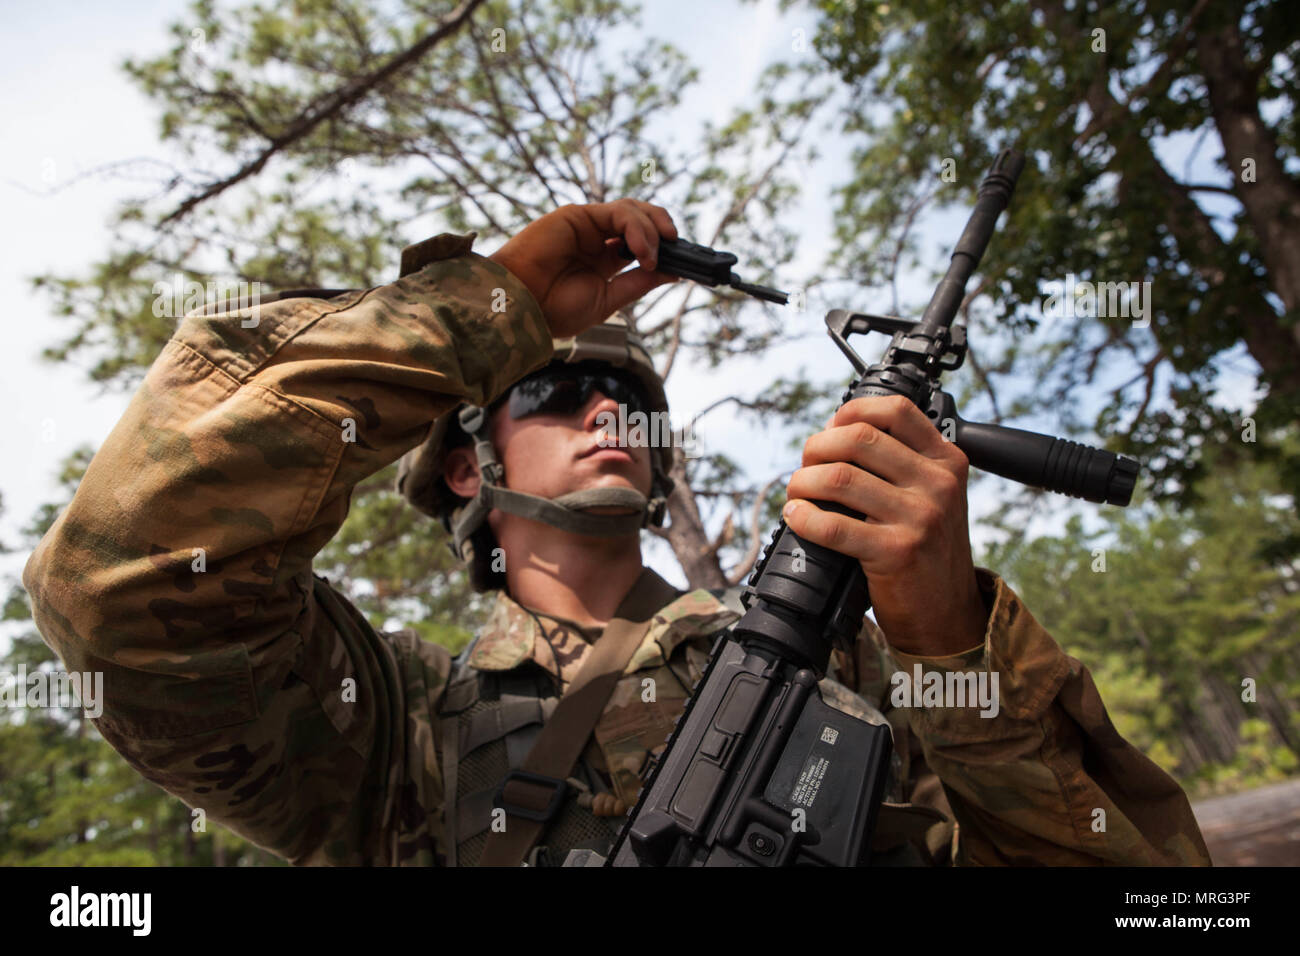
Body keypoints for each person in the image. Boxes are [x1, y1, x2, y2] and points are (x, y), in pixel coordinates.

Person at [23, 199, 1210, 866]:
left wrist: (950, 638)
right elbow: (123, 586)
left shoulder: (860, 664)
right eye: (547, 391)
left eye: (631, 402)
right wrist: (496, 308)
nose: (605, 411)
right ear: (461, 464)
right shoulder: (392, 729)